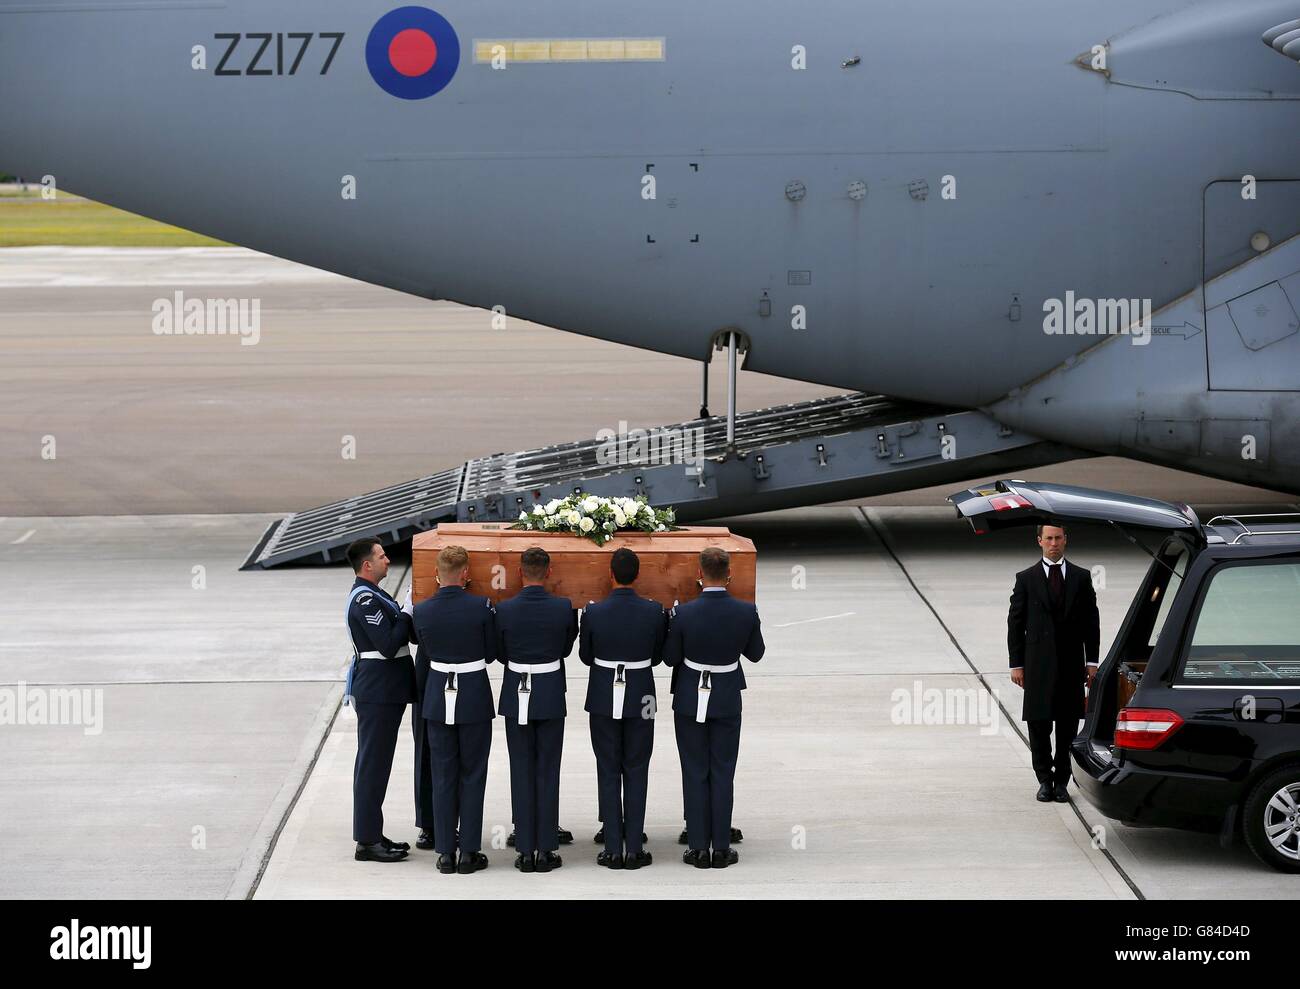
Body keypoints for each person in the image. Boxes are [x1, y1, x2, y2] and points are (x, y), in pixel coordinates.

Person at [663, 547, 765, 868]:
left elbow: (670, 658)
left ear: (699, 574)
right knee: (722, 770)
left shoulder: (683, 614)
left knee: (695, 770)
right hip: (726, 696)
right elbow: (756, 654)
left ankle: (697, 848)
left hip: (690, 696)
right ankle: (720, 847)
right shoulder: (746, 611)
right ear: (729, 574)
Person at [410, 545, 496, 875]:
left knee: (443, 774)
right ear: (465, 574)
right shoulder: (481, 606)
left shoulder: (422, 611)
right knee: (472, 774)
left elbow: (426, 651)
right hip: (473, 695)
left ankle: (445, 852)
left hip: (437, 697)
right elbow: (490, 653)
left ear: (436, 573)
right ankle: (469, 852)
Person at [579, 548, 667, 869]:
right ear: (637, 575)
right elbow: (657, 657)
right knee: (637, 766)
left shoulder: (593, 612)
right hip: (643, 698)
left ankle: (613, 848)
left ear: (610, 575)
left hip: (603, 695)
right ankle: (634, 847)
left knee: (608, 767)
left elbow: (585, 656)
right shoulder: (655, 611)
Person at [496, 547, 579, 873]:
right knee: (548, 770)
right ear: (548, 572)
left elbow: (499, 652)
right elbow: (566, 648)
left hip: (516, 691)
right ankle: (545, 849)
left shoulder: (504, 609)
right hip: (549, 693)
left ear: (520, 572)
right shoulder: (563, 608)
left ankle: (524, 849)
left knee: (521, 769)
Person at [1007, 523, 1101, 803]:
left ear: (1065, 540)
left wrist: (1092, 661)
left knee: (1067, 726)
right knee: (1038, 725)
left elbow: (1091, 622)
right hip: (1037, 665)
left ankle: (1061, 782)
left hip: (1071, 665)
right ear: (1039, 541)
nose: (1053, 543)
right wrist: (1016, 664)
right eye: (1048, 538)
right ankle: (1044, 780)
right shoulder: (1026, 579)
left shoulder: (1081, 577)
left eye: (1058, 538)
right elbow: (1015, 624)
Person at [343, 538, 416, 863]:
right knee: (372, 765)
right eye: (382, 556)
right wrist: (407, 612)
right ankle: (367, 841)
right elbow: (387, 645)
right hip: (378, 692)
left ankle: (373, 833)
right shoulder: (365, 600)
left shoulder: (375, 594)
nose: (388, 560)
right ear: (367, 565)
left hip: (385, 691)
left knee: (377, 764)